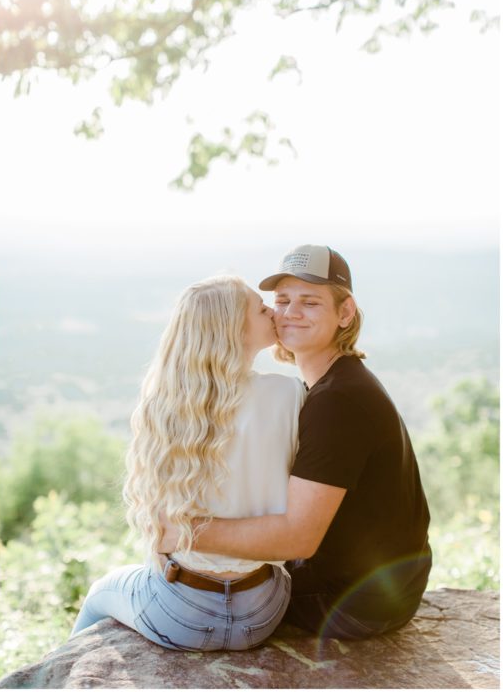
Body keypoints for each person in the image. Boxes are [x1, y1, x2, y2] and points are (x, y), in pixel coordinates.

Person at [161, 245, 432, 640]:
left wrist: (183, 531)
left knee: (191, 598)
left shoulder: (338, 401)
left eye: (310, 302)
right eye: (282, 301)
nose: (289, 313)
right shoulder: (334, 383)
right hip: (377, 590)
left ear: (345, 312)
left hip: (350, 603)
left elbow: (298, 536)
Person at [71, 275, 305, 651]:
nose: (274, 313)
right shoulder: (289, 393)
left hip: (182, 614)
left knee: (101, 591)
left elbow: (162, 529)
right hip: (262, 610)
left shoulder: (166, 405)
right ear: (234, 328)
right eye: (262, 309)